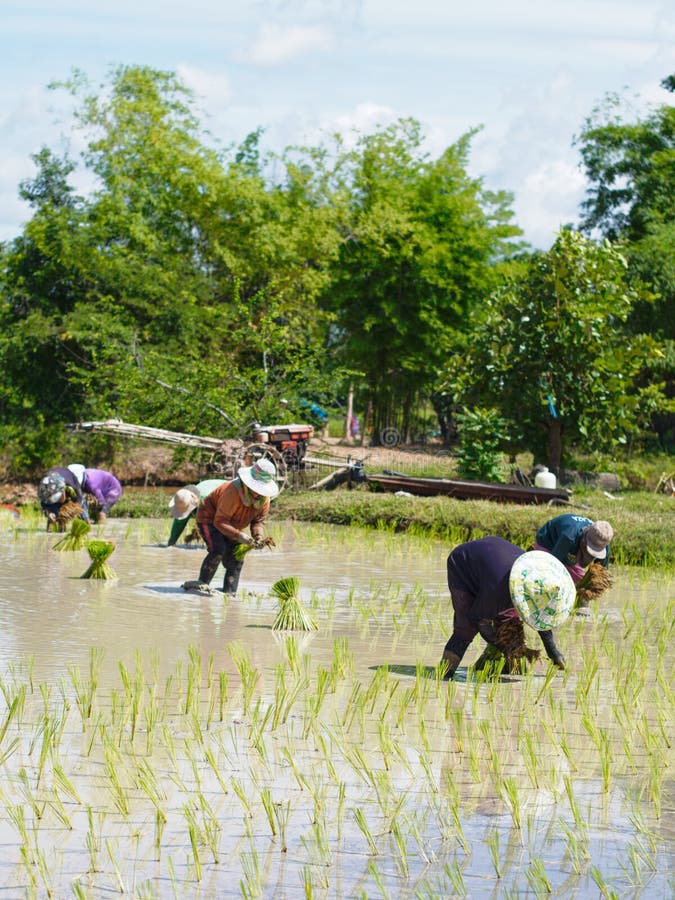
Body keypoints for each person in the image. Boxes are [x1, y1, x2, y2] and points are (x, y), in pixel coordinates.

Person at [440, 536, 574, 679]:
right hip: (464, 564)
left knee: (509, 620)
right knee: (466, 628)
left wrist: (552, 650)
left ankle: (505, 666)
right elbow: (480, 621)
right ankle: (444, 676)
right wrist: (509, 647)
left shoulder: (537, 581)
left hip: (495, 564)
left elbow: (539, 615)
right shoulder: (497, 592)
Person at [184, 458, 279, 595]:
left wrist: (258, 536)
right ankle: (202, 584)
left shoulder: (265, 500)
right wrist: (241, 536)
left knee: (237, 558)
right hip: (209, 519)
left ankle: (229, 593)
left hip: (233, 525)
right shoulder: (233, 492)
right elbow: (220, 522)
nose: (258, 493)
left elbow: (258, 521)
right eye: (255, 488)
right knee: (218, 549)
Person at [535, 515, 613, 583]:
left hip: (569, 545)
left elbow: (601, 574)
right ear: (584, 539)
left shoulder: (603, 540)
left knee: (579, 579)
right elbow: (553, 564)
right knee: (549, 575)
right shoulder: (569, 536)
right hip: (548, 541)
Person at [167, 479, 225, 546]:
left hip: (226, 494)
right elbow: (178, 524)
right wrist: (171, 544)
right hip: (208, 488)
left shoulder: (207, 501)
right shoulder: (184, 501)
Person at [37, 467, 89, 531]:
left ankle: (86, 522)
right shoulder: (44, 490)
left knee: (80, 506)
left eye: (58, 498)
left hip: (68, 477)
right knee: (53, 511)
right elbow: (44, 504)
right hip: (52, 482)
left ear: (63, 492)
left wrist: (68, 514)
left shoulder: (72, 488)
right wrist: (50, 513)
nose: (57, 501)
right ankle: (54, 525)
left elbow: (79, 502)